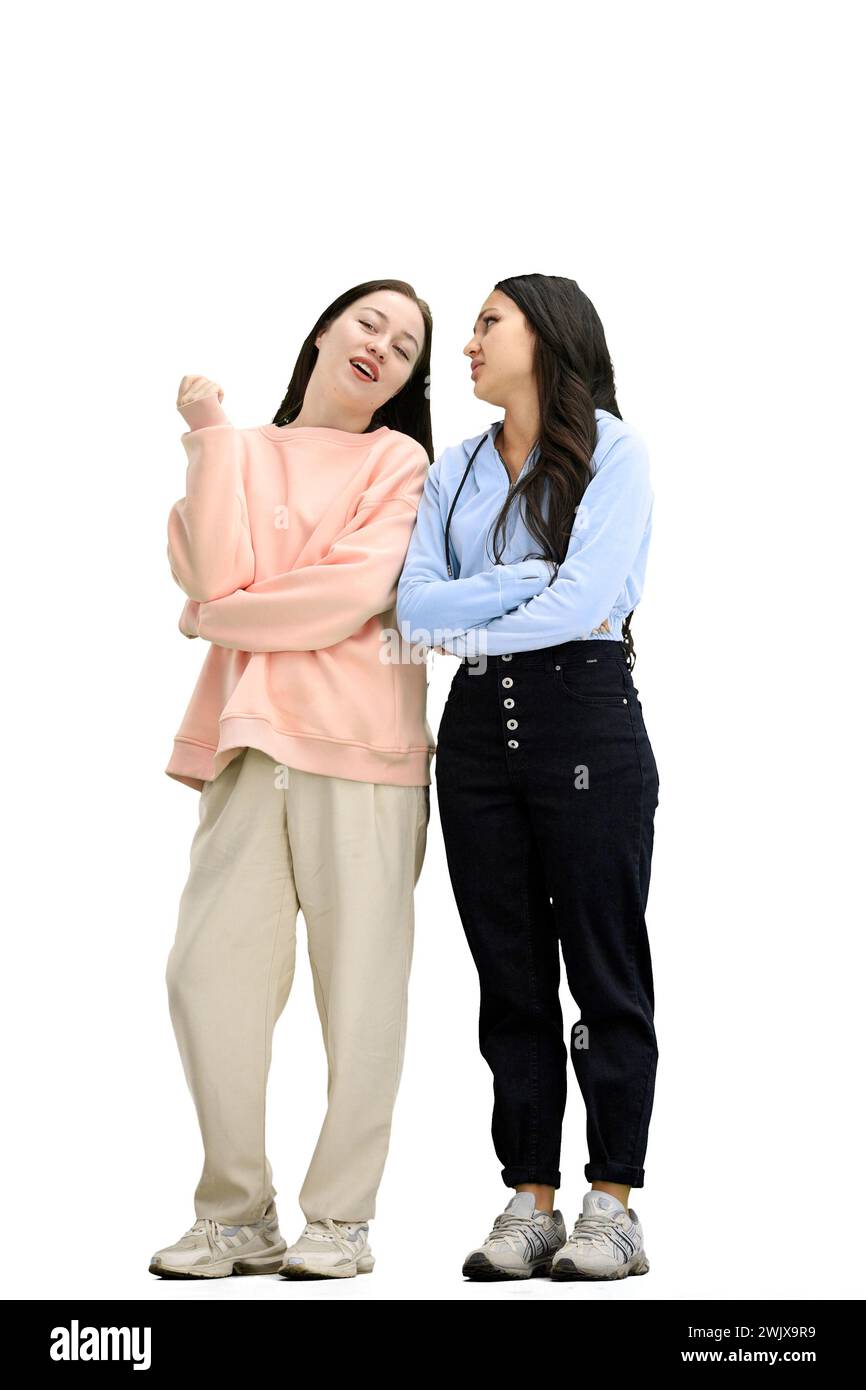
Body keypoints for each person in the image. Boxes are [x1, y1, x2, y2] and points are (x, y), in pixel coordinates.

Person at [150, 281, 436, 1281]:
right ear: (324, 328)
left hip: (365, 749)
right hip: (248, 745)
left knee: (361, 993)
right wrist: (209, 435)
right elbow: (212, 571)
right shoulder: (238, 452)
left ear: (407, 379)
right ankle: (235, 1213)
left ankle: (340, 1217)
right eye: (370, 322)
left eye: (405, 346)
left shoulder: (398, 461)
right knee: (205, 977)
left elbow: (349, 593)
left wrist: (219, 615)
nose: (383, 347)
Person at [396, 274, 660, 1281]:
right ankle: (529, 1197)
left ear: (544, 336)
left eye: (485, 324)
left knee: (601, 965)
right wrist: (519, 585)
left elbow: (588, 602)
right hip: (474, 736)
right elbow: (411, 616)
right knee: (508, 975)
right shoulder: (452, 469)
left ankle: (613, 1200)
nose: (464, 344)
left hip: (583, 715)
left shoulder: (615, 452)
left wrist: (474, 606)